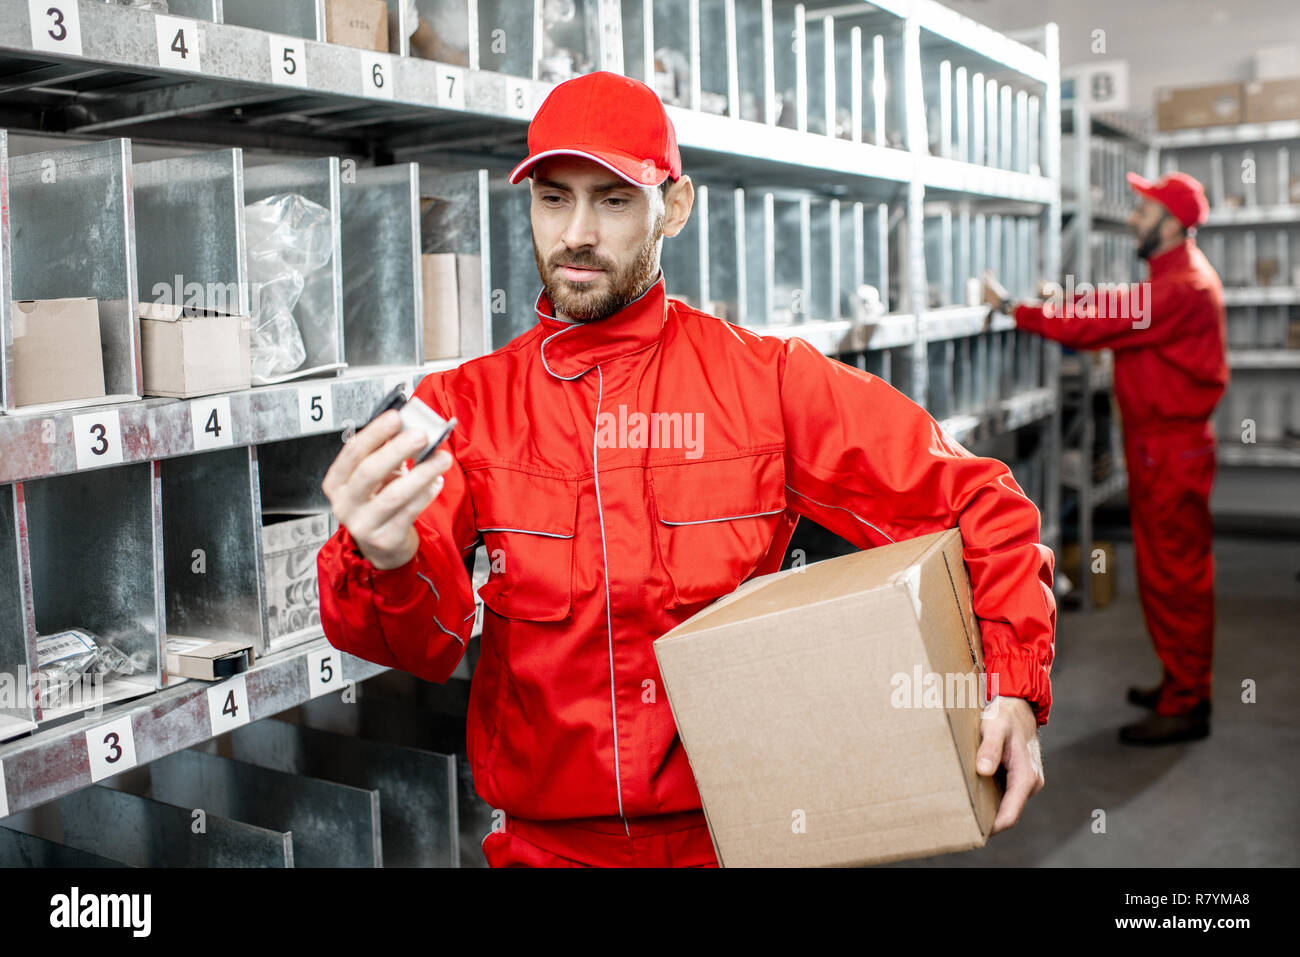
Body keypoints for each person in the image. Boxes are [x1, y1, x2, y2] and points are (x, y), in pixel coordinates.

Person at [317, 70, 1055, 867]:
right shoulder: (467, 408)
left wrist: (1010, 679)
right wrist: (386, 558)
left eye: (613, 199)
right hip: (549, 849)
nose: (577, 234)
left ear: (673, 206)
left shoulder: (768, 383)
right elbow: (420, 645)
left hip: (740, 835)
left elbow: (977, 498)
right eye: (554, 198)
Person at [984, 171, 1228, 746]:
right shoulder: (1171, 280)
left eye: (1144, 212)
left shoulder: (1183, 287)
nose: (1134, 220)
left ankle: (1188, 702)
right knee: (1168, 571)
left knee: (1176, 576)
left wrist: (1020, 310)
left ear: (1170, 223)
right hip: (1160, 448)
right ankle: (1180, 684)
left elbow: (1103, 320)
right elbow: (1115, 305)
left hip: (1170, 452)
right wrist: (1058, 301)